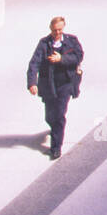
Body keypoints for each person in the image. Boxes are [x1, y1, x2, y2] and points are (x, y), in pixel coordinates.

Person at [26, 16, 83, 159]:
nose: (57, 33)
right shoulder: (44, 43)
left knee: (59, 115)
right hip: (48, 86)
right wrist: (32, 83)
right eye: (54, 30)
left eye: (60, 30)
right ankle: (55, 131)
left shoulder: (71, 41)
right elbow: (34, 63)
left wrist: (61, 59)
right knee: (50, 116)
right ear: (50, 29)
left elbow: (78, 57)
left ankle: (56, 147)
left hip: (65, 84)